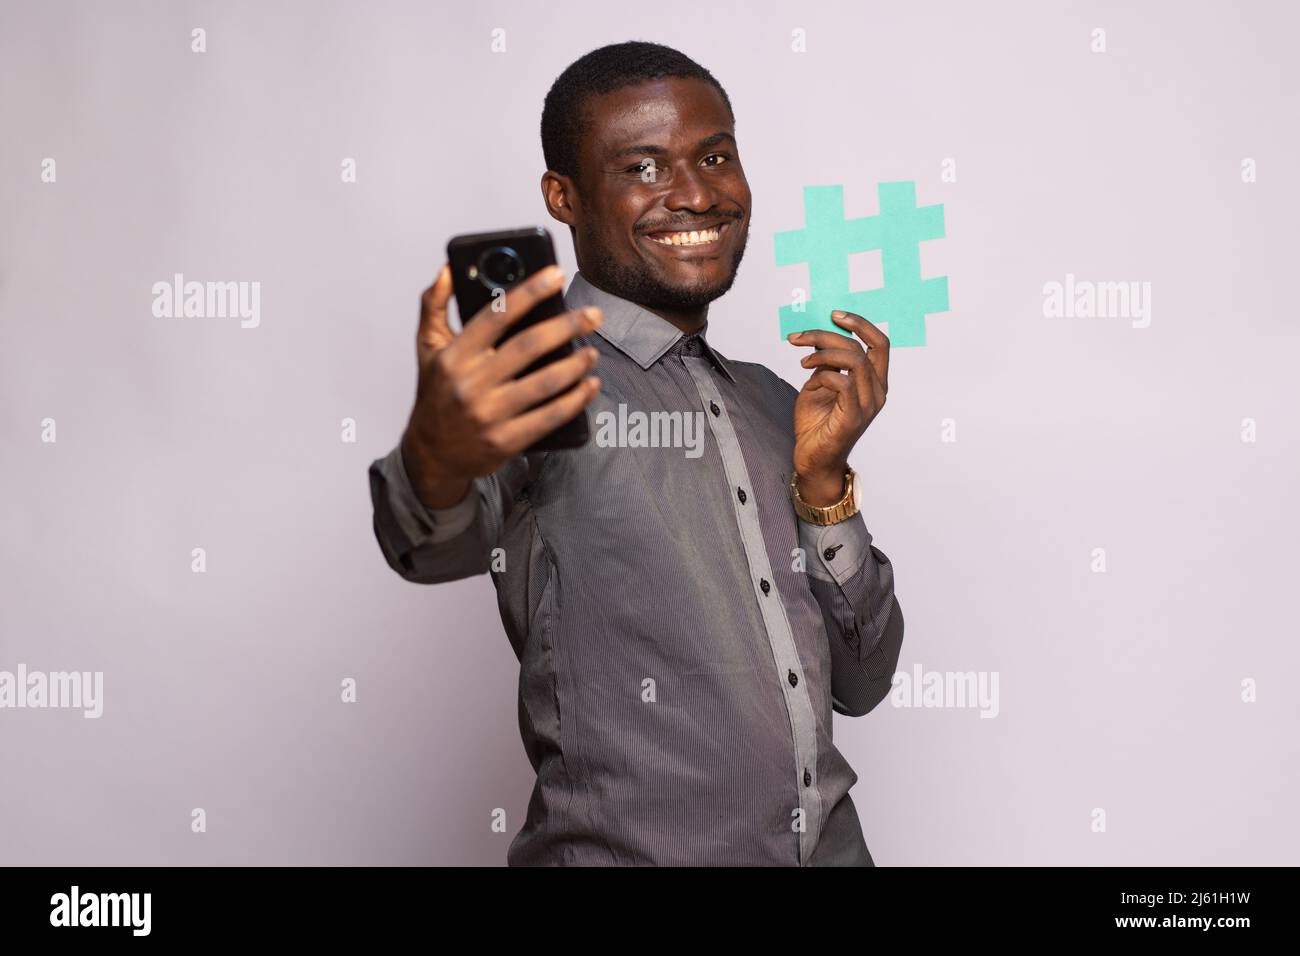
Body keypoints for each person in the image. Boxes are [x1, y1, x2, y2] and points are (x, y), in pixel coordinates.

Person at [368, 40, 904, 866]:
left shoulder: (773, 401)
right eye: (644, 167)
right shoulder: (538, 387)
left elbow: (865, 683)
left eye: (715, 156)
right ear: (564, 196)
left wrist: (824, 485)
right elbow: (431, 544)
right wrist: (438, 449)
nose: (695, 193)